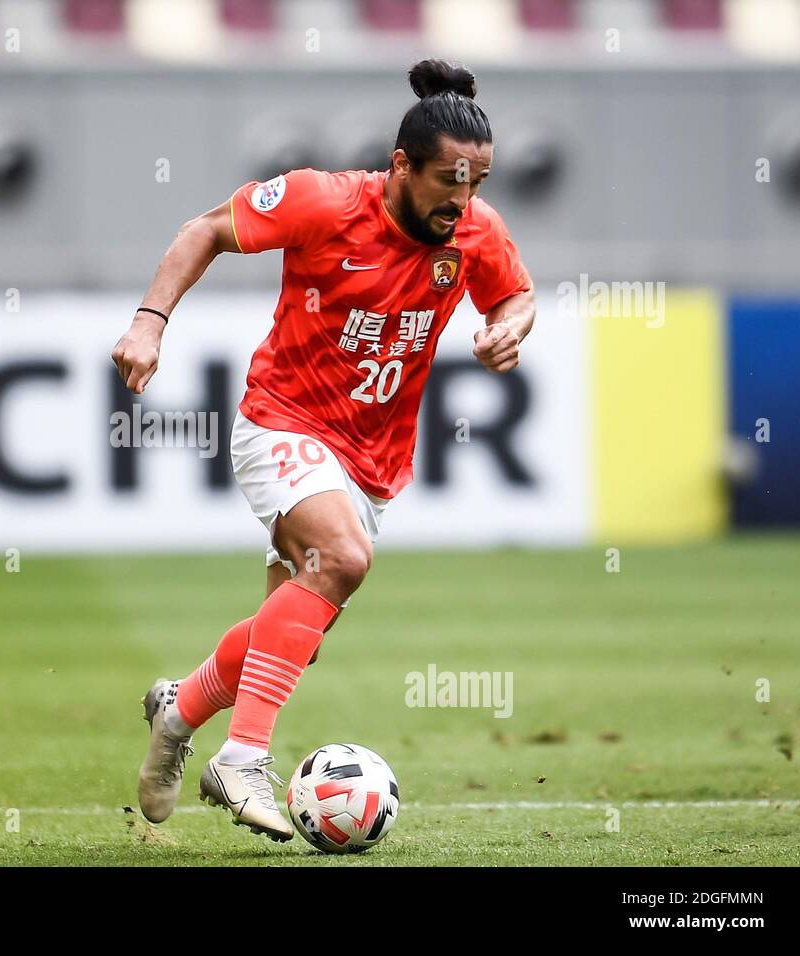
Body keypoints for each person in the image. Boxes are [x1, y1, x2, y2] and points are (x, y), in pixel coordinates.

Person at [111, 59, 536, 842]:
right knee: (342, 559)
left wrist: (510, 326)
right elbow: (204, 229)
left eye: (477, 182)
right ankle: (241, 758)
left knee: (289, 633)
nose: (463, 200)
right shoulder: (320, 200)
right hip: (283, 421)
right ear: (401, 164)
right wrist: (149, 321)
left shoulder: (475, 229)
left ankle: (181, 709)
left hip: (372, 458)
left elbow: (515, 293)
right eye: (450, 179)